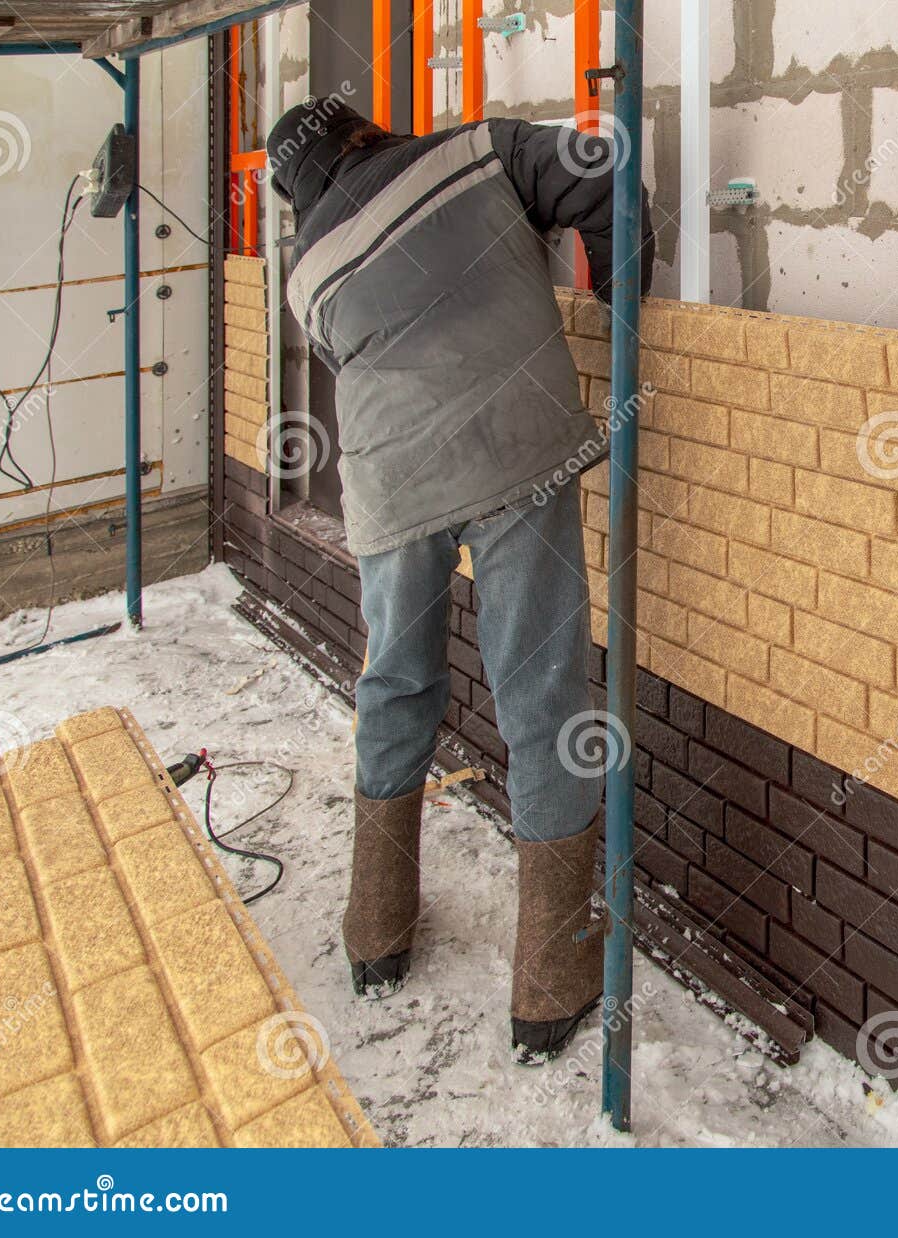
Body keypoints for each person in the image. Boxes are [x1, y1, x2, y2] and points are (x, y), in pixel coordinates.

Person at [266, 95, 653, 1064]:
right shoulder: (480, 151)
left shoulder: (303, 269)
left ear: (297, 191)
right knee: (540, 692)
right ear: (365, 129)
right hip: (516, 455)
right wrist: (614, 290)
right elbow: (601, 167)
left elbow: (338, 353)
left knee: (394, 681)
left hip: (389, 485)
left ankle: (376, 932)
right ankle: (551, 980)